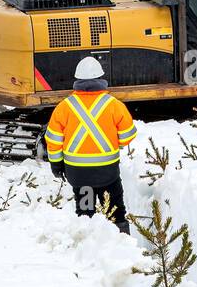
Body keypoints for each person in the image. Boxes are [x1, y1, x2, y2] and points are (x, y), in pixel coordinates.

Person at [44, 56, 136, 233]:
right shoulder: (114, 105)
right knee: (115, 211)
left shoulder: (64, 107)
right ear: (102, 79)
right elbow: (127, 136)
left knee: (85, 212)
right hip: (107, 172)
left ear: (77, 81)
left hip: (78, 173)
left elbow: (54, 141)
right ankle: (122, 242)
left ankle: (87, 241)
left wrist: (56, 165)